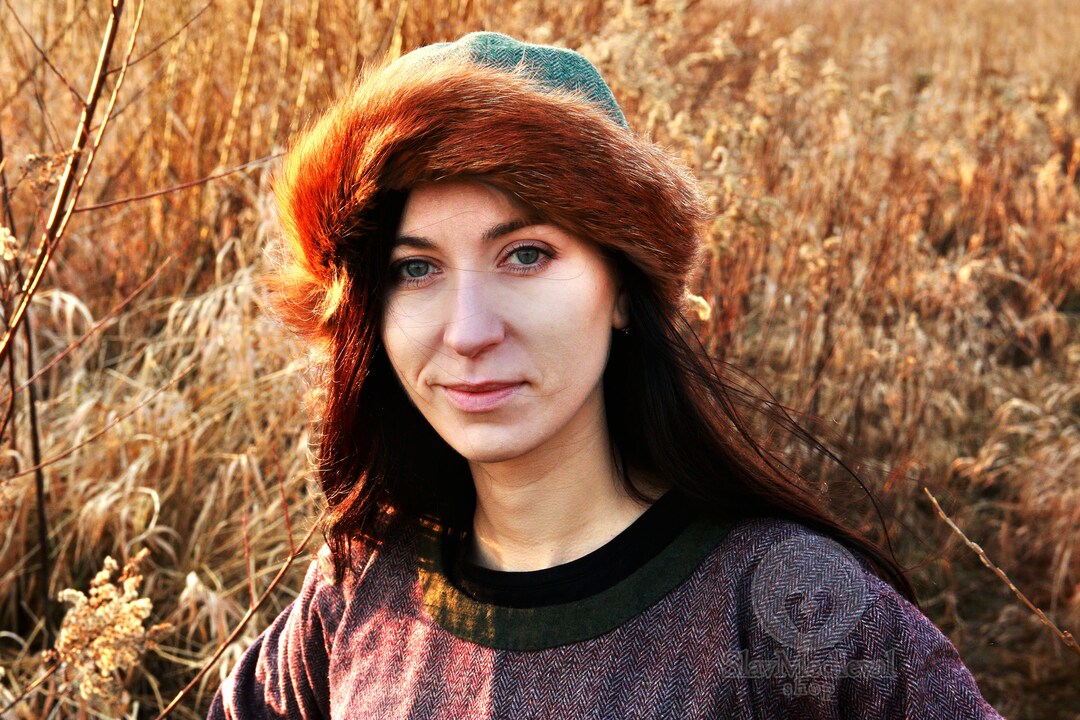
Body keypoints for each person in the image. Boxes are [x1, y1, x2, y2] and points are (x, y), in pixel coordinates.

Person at [209, 32, 1004, 719]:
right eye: (415, 269)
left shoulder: (786, 607)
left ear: (622, 287)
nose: (469, 331)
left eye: (526, 255)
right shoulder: (358, 591)